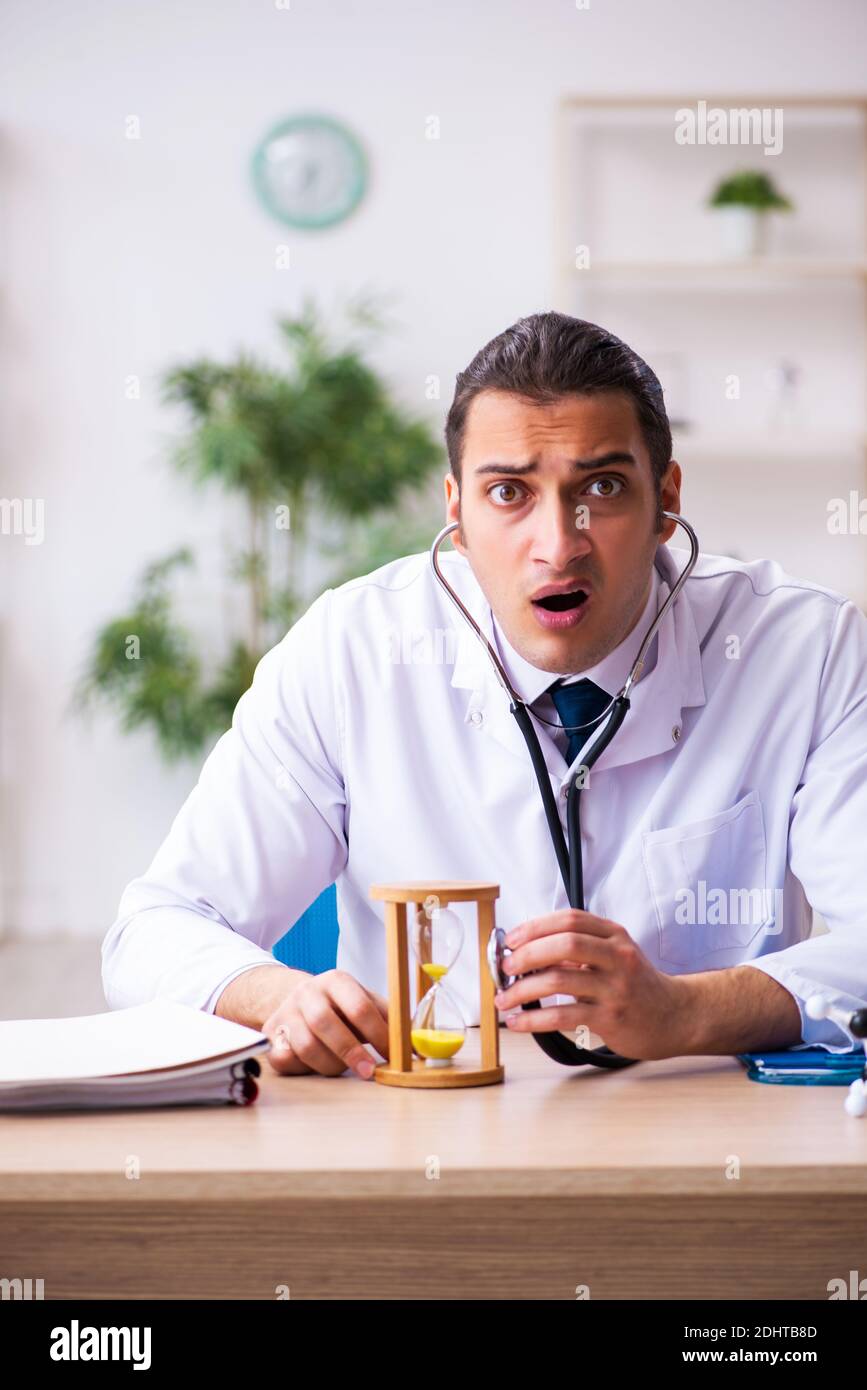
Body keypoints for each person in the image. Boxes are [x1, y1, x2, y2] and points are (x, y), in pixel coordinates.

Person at [102, 312, 867, 1080]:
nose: (558, 544)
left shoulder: (805, 650)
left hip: (705, 1143)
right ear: (455, 513)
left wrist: (683, 1010)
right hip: (424, 1134)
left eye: (601, 487)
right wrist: (273, 996)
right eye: (508, 492)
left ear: (666, 501)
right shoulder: (352, 652)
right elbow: (154, 929)